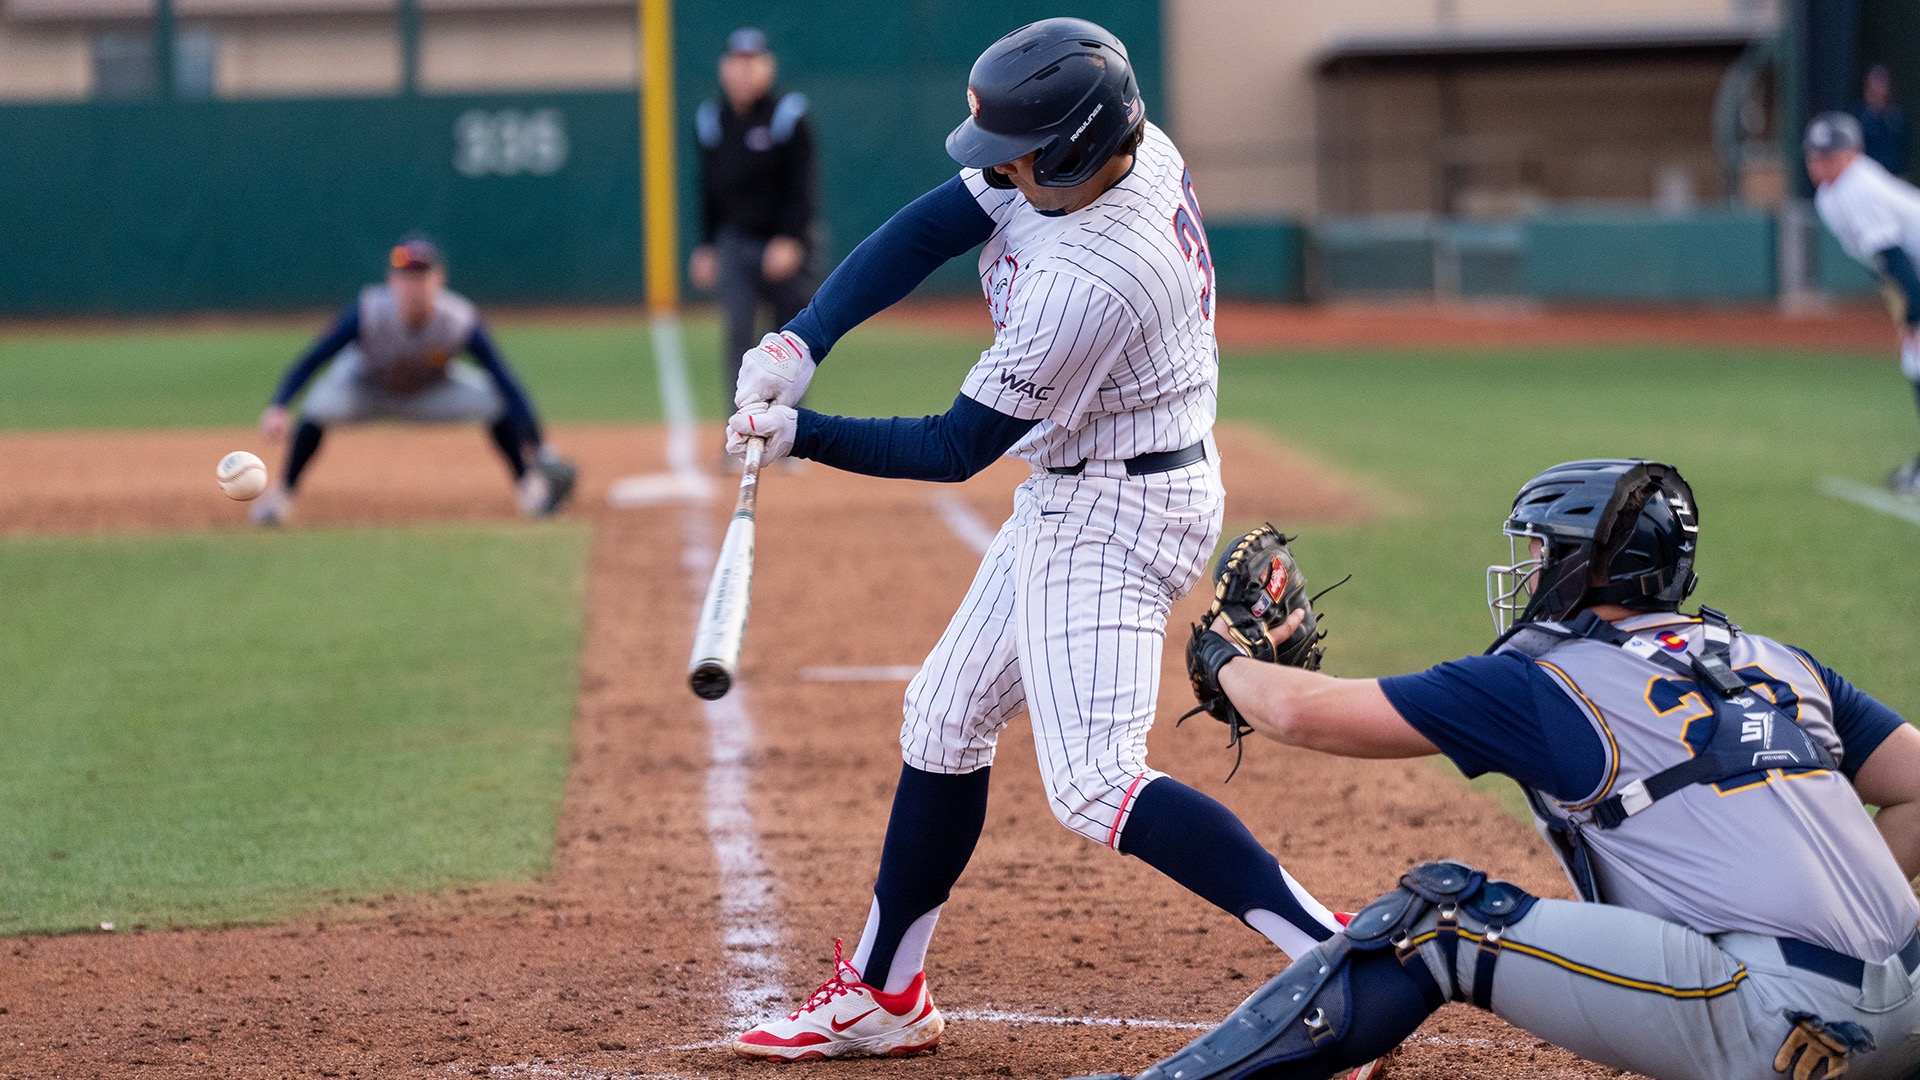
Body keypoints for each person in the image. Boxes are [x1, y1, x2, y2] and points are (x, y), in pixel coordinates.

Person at [720, 17, 1349, 1063]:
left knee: (1095, 780)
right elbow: (932, 224)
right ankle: (886, 992)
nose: (997, 171)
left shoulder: (1094, 276)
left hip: (1117, 508)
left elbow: (957, 446)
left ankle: (1342, 965)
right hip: (1090, 482)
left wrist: (803, 435)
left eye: (1015, 155)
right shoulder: (1106, 148)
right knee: (944, 720)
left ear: (1068, 151)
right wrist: (804, 335)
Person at [1068, 459, 1920, 1080]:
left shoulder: (1543, 679)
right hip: (1912, 1011)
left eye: (1541, 552)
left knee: (1437, 920)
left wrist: (1222, 659)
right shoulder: (1775, 661)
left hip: (1788, 1033)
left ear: (1581, 568)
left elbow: (1302, 713)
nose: (1529, 571)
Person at [252, 236, 575, 525]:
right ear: (391, 280)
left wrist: (539, 444)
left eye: (422, 276)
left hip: (429, 393)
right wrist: (279, 405)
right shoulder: (368, 311)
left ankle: (528, 488)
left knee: (494, 398)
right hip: (366, 388)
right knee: (318, 405)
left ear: (439, 280)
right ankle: (283, 494)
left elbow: (504, 377)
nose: (413, 284)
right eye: (405, 276)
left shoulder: (458, 319)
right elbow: (314, 358)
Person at [689, 27, 819, 410]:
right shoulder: (712, 120)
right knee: (738, 336)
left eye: (752, 62)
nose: (743, 71)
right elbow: (708, 188)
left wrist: (792, 238)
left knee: (790, 340)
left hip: (782, 243)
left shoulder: (787, 116)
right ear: (723, 68)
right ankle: (741, 426)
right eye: (736, 62)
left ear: (768, 67)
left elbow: (803, 184)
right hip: (736, 242)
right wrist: (707, 245)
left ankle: (791, 427)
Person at [1806, 111, 1920, 494]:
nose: (1820, 162)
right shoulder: (1830, 196)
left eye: (1829, 154)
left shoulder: (1858, 186)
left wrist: (1914, 316)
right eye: (1815, 154)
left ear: (1852, 153)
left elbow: (1895, 257)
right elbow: (1882, 264)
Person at [1858, 64, 1908, 178]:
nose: (1880, 87)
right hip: (1868, 176)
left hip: (1893, 176)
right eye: (1876, 82)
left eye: (1883, 82)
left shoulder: (1896, 115)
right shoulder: (1859, 115)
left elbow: (1903, 148)